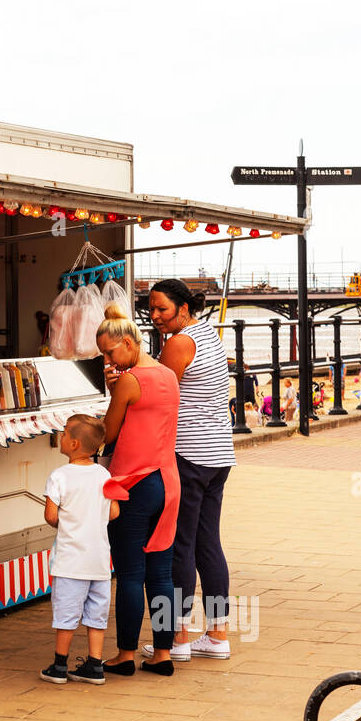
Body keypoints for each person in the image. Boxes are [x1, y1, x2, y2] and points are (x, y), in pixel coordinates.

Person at [144, 279, 234, 660]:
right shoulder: (207, 334)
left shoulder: (179, 343)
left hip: (189, 455)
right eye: (151, 309)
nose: (155, 316)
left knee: (179, 544)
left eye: (162, 309)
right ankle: (217, 636)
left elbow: (157, 392)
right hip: (218, 454)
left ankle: (177, 638)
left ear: (183, 307)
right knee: (207, 543)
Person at [96, 305, 180, 676]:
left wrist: (109, 395)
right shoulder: (167, 375)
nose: (107, 359)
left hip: (133, 484)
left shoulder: (131, 381)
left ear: (128, 343)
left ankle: (125, 654)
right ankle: (163, 654)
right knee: (160, 573)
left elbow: (108, 434)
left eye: (110, 352)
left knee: (130, 573)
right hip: (167, 482)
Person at [40, 414, 118, 685]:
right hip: (99, 562)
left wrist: (69, 522)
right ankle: (95, 666)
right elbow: (115, 511)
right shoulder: (103, 474)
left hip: (70, 560)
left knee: (66, 614)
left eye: (62, 434)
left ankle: (59, 666)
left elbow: (51, 516)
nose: (59, 438)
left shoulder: (59, 476)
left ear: (73, 444)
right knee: (96, 615)